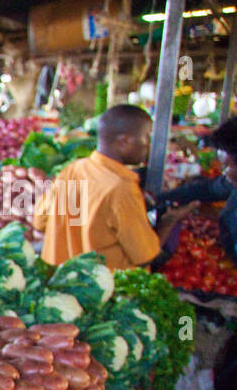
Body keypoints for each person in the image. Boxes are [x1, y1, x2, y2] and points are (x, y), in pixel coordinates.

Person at [31, 104, 191, 269]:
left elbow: (40, 222)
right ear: (124, 142)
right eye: (146, 137)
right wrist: (169, 221)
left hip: (60, 283)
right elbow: (144, 257)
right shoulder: (121, 189)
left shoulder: (73, 170)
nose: (148, 145)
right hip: (102, 289)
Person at [154, 116, 237, 262]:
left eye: (228, 166)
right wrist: (158, 198)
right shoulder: (231, 183)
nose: (223, 172)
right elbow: (209, 188)